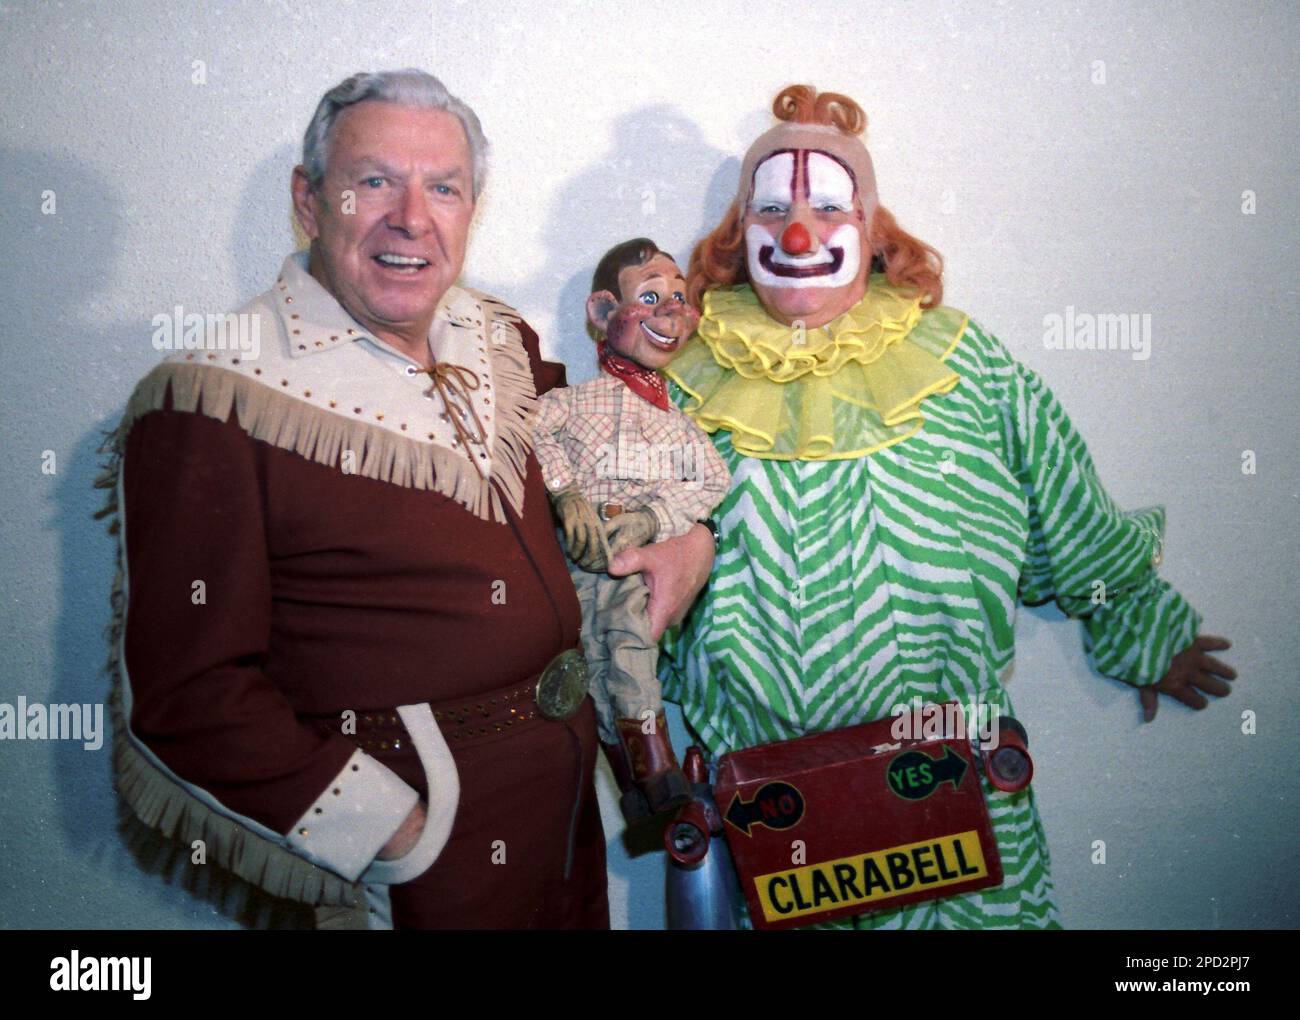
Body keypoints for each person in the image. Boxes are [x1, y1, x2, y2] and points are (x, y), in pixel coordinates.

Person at [98, 69, 715, 929]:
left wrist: (691, 535)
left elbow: (596, 473)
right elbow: (185, 699)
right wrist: (392, 833)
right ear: (310, 201)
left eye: (444, 187)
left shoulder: (502, 339)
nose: (412, 218)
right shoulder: (212, 401)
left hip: (565, 808)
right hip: (416, 848)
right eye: (374, 180)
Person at [659, 84, 1237, 929]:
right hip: (774, 816)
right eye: (772, 207)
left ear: (872, 225)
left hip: (954, 786)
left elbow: (1063, 499)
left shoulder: (963, 362)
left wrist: (1142, 626)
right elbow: (619, 570)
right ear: (737, 230)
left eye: (827, 206)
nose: (798, 233)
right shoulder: (678, 383)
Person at [531, 239, 730, 824]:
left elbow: (709, 483)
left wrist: (652, 520)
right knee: (593, 665)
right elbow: (529, 432)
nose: (670, 309)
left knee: (629, 646)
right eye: (649, 295)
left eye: (677, 296)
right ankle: (638, 784)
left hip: (630, 561)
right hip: (576, 560)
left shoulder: (682, 427)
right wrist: (567, 495)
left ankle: (657, 775)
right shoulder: (576, 401)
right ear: (600, 314)